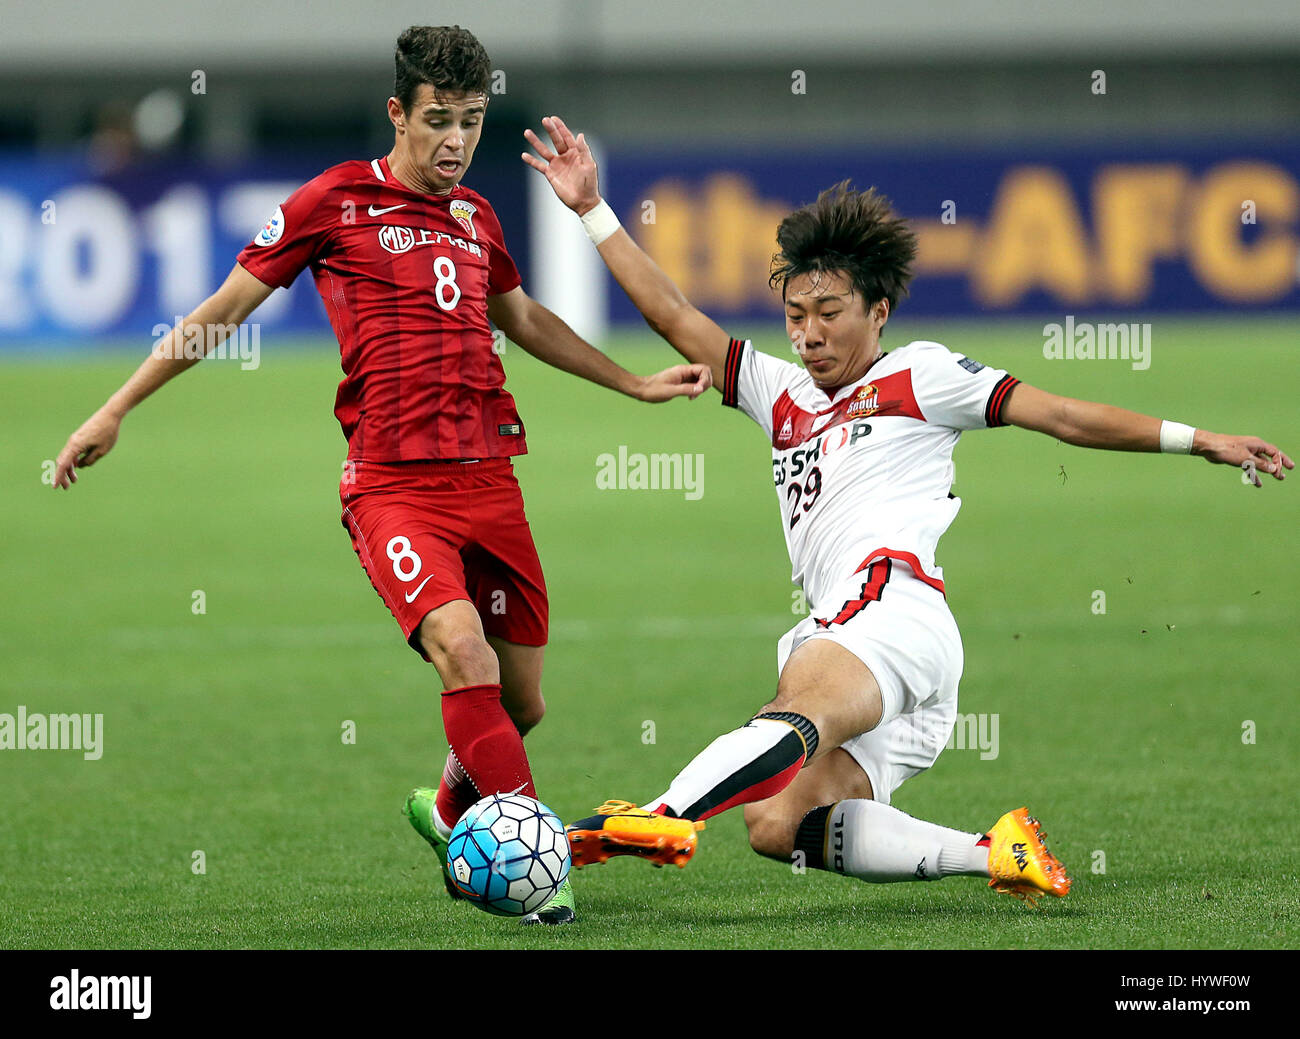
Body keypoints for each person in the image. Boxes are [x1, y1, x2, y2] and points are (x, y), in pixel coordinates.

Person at [522, 115, 1292, 905]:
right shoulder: (778, 392)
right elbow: (674, 316)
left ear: (879, 311)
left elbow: (1059, 414)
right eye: (796, 315)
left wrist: (1198, 439)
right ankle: (993, 851)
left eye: (831, 312)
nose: (810, 334)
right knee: (778, 820)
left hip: (887, 607)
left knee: (794, 710)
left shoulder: (922, 376)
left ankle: (660, 813)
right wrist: (591, 209)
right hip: (887, 646)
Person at [51, 31, 710, 927]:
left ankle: (449, 810)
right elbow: (221, 310)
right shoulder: (334, 201)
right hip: (392, 489)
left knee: (521, 703)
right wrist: (117, 406)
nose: (455, 141)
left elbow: (521, 316)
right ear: (398, 114)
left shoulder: (478, 216)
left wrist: (631, 383)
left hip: (492, 483)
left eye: (472, 122)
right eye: (438, 120)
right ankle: (537, 868)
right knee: (462, 652)